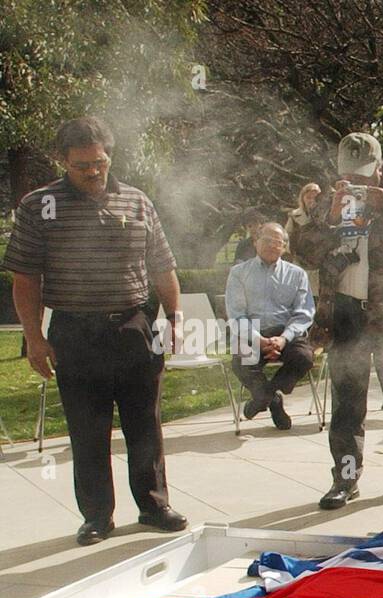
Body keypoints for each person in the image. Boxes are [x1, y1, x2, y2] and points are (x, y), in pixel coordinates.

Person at [4, 116, 188, 545]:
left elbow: (163, 265)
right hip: (75, 331)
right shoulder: (39, 206)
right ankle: (97, 515)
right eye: (81, 165)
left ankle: (154, 503)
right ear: (62, 161)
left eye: (99, 162)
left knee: (145, 422)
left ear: (110, 156)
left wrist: (175, 315)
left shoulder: (137, 201)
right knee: (88, 428)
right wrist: (34, 337)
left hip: (133, 326)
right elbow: (26, 278)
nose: (92, 172)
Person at [293, 131, 383, 508]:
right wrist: (323, 220)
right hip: (344, 313)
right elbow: (304, 249)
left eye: (363, 174)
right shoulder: (331, 199)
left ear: (379, 167)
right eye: (350, 174)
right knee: (346, 405)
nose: (356, 181)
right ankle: (345, 478)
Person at [224, 222, 316, 430]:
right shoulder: (239, 273)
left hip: (286, 333)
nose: (272, 246)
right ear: (256, 242)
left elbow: (304, 313)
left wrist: (282, 339)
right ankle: (273, 401)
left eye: (278, 242)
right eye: (267, 240)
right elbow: (236, 314)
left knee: (304, 358)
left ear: (284, 247)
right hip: (251, 331)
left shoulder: (297, 274)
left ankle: (264, 395)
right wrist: (260, 340)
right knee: (241, 362)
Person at [286, 182, 321, 259]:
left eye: (315, 198)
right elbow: (287, 236)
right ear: (303, 198)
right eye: (308, 197)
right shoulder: (294, 215)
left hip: (320, 257)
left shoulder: (326, 215)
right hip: (300, 257)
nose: (312, 200)